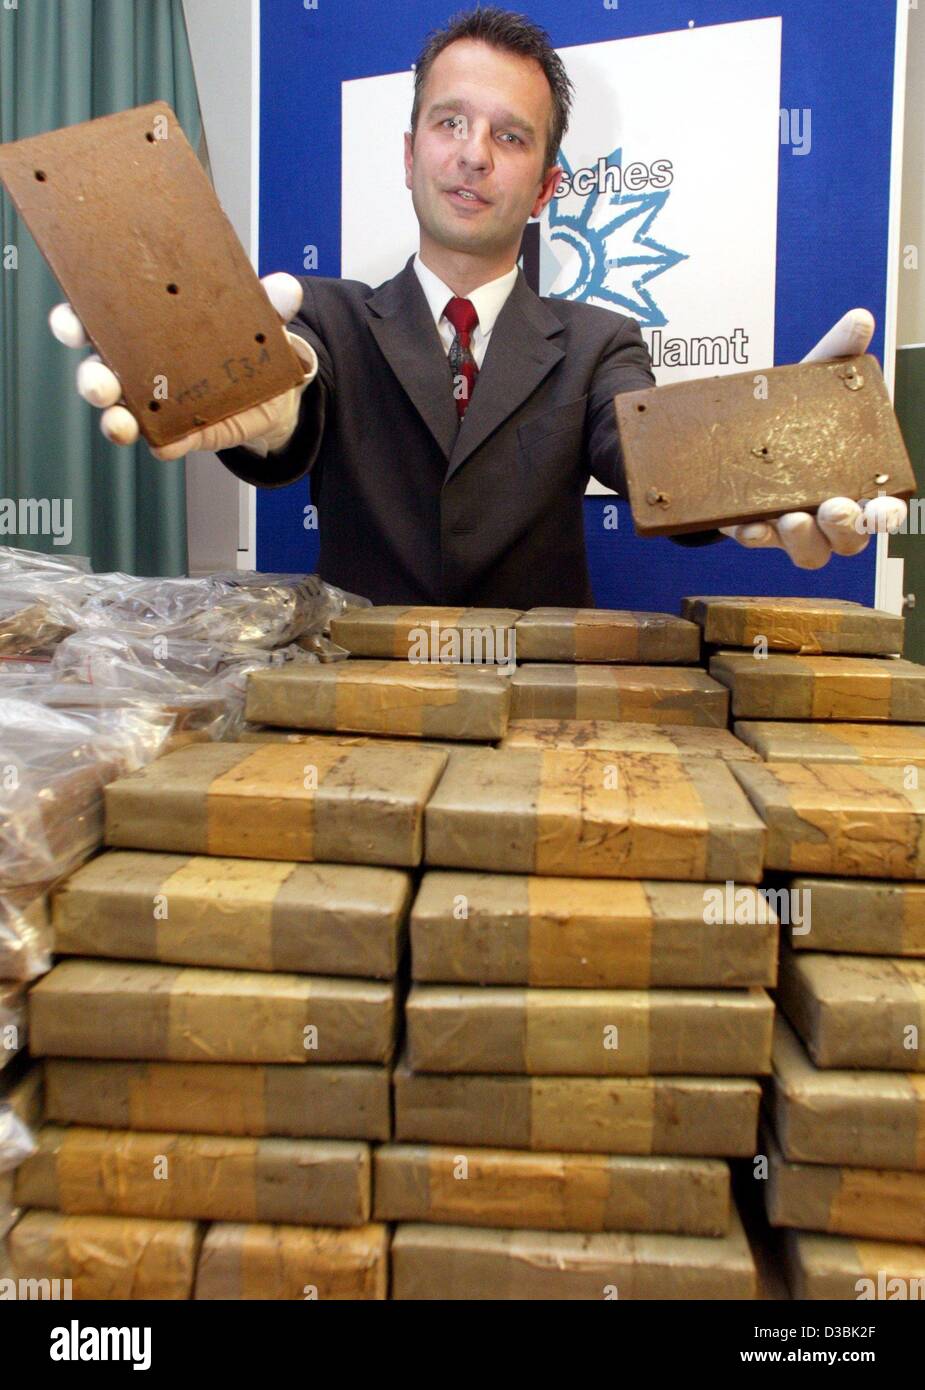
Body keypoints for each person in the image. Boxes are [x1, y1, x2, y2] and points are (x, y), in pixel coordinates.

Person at [51, 7, 907, 605]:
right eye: (449, 123)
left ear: (545, 187)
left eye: (509, 135)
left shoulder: (598, 341)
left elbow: (641, 445)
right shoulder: (326, 317)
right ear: (409, 150)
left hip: (548, 720)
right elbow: (297, 392)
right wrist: (271, 405)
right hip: (360, 713)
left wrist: (765, 460)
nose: (472, 157)